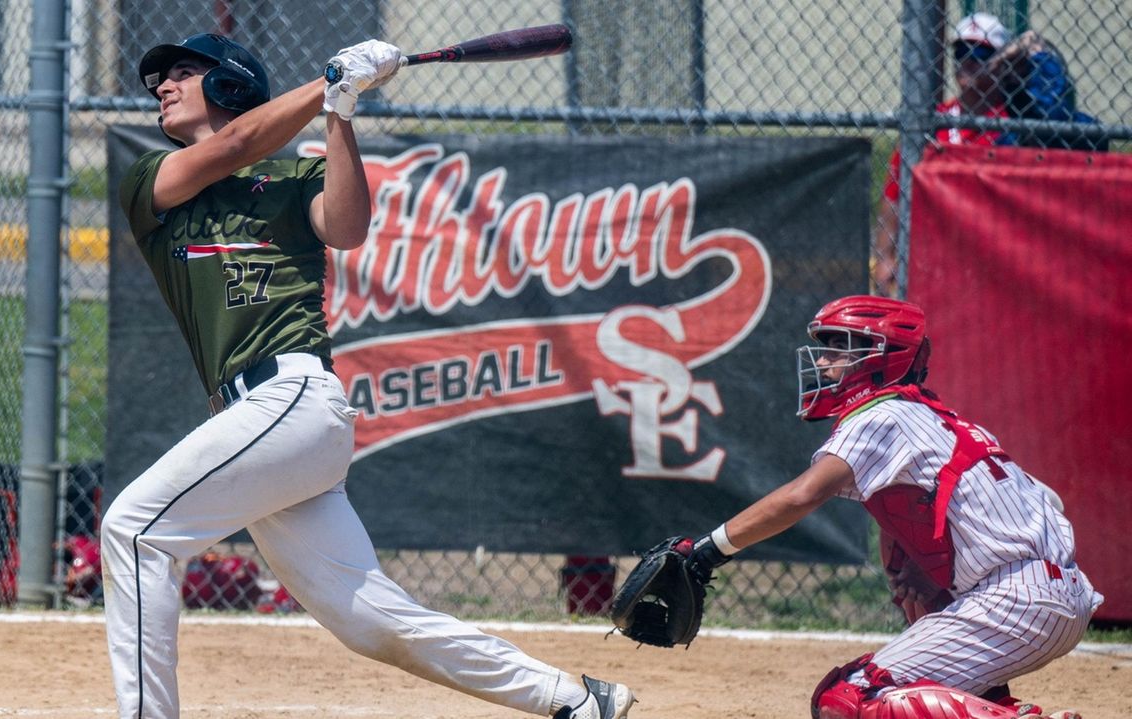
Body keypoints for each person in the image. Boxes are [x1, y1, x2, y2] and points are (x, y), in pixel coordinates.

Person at [102, 32, 635, 719]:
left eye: (182, 73)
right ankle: (574, 699)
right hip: (256, 424)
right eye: (160, 80)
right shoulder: (151, 180)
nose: (162, 87)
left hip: (291, 398)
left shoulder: (292, 181)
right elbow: (235, 148)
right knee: (371, 619)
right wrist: (326, 80)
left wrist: (340, 108)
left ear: (230, 86)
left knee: (135, 530)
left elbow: (347, 226)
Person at [656, 295, 1102, 719]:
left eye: (839, 347)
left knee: (847, 698)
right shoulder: (936, 418)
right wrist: (932, 577)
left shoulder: (880, 414)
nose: (824, 360)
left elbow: (801, 495)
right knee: (914, 636)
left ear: (884, 354)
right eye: (824, 347)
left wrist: (708, 550)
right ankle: (999, 706)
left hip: (1015, 601)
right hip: (1057, 594)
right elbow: (1048, 501)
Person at [872, 13, 1012, 297]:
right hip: (932, 260)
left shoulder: (1013, 125)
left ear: (1001, 64)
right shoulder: (933, 123)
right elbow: (894, 193)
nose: (968, 61)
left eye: (980, 53)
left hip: (994, 262)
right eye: (961, 52)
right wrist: (885, 256)